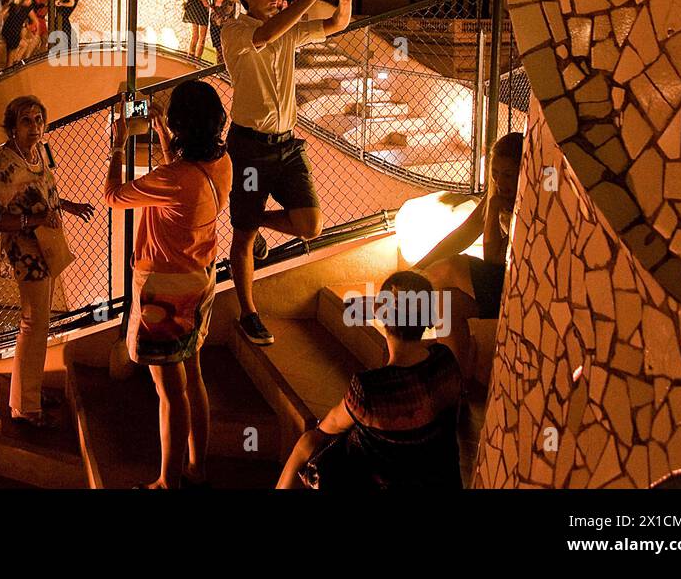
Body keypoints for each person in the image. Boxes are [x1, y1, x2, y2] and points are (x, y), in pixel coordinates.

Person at [102, 80, 232, 489]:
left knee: (169, 391)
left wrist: (118, 144)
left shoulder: (173, 179)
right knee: (193, 375)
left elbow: (113, 196)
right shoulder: (222, 162)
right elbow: (182, 166)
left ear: (181, 126)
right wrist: (163, 133)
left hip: (165, 289)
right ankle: (198, 466)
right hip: (201, 278)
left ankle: (167, 481)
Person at [220, 0, 355, 346]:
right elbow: (266, 34)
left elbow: (335, 26)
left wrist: (342, 3)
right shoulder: (236, 31)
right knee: (242, 240)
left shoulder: (287, 29)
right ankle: (249, 313)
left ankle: (253, 219)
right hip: (249, 146)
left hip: (288, 145)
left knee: (311, 224)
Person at [277, 270, 463, 490]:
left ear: (383, 316)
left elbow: (326, 429)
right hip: (444, 482)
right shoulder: (446, 362)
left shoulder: (370, 389)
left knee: (309, 444)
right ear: (430, 318)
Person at [0, 96, 95, 427]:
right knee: (33, 324)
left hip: (45, 248)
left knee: (40, 325)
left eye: (38, 120)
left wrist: (68, 206)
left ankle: (28, 393)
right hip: (26, 252)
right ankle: (24, 405)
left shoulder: (35, 155)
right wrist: (31, 222)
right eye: (26, 121)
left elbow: (44, 195)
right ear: (12, 127)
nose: (34, 127)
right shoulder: (6, 167)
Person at [415, 132, 524, 381]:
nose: (500, 180)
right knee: (446, 303)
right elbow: (466, 232)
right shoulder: (499, 192)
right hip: (501, 279)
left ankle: (404, 326)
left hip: (519, 286)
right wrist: (419, 267)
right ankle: (456, 382)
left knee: (450, 267)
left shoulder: (527, 200)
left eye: (508, 174)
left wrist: (494, 208)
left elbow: (492, 258)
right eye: (495, 173)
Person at [1, 0, 35, 66]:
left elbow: (3, 14)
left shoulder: (14, 6)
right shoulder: (25, 9)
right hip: (13, 33)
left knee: (23, 44)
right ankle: (10, 70)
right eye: (30, 0)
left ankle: (16, 61)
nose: (31, 2)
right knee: (11, 55)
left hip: (7, 31)